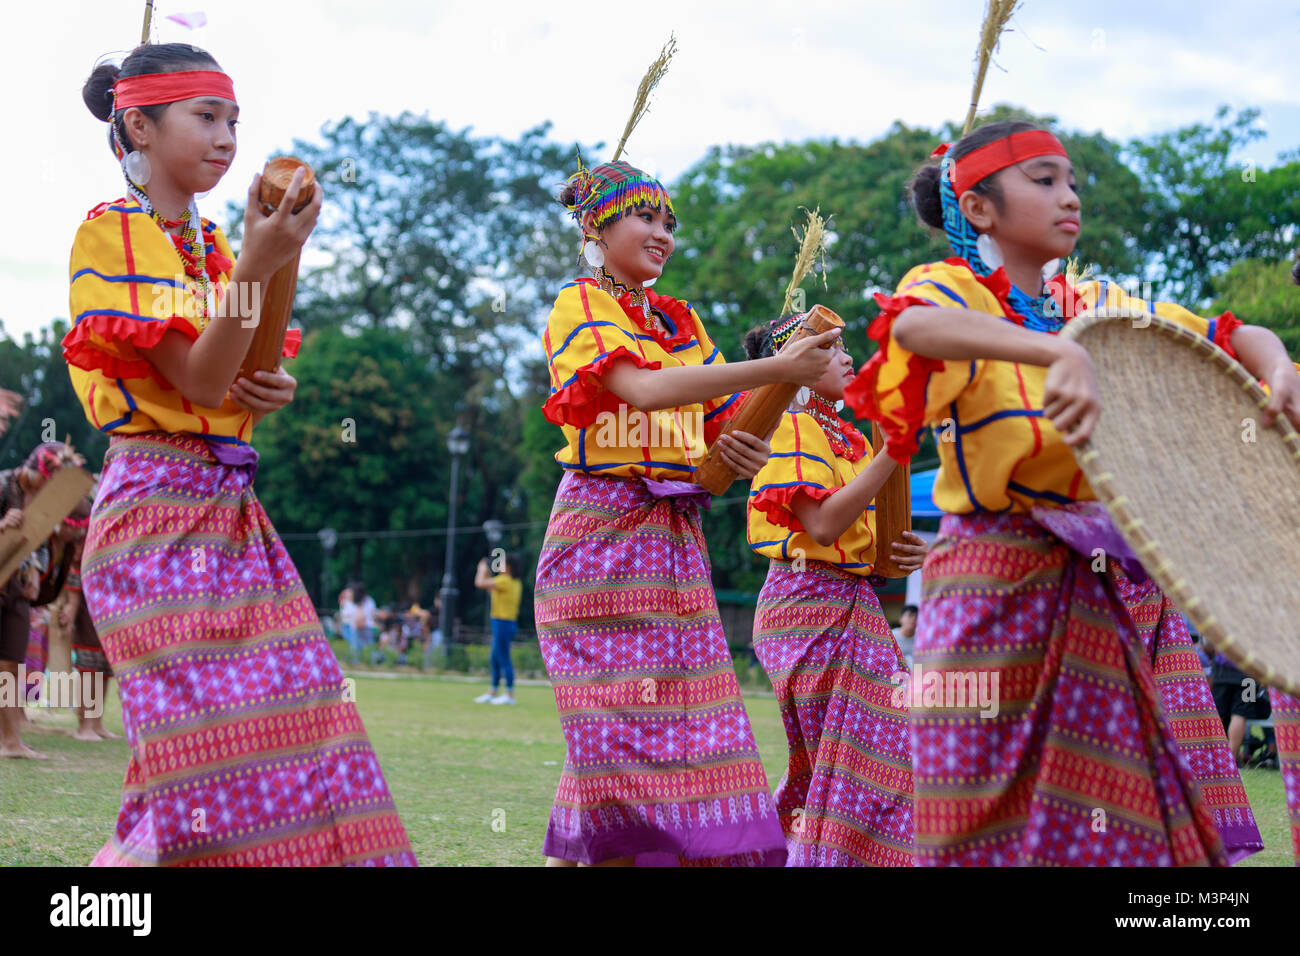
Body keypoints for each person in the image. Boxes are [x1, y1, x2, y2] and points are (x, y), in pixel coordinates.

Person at [845, 119, 1300, 866]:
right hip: (992, 583)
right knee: (979, 814)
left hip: (1097, 590)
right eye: (1045, 180)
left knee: (1118, 820)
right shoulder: (949, 288)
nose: (1071, 197)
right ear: (981, 209)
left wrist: (1276, 365)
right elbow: (914, 332)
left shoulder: (1099, 300)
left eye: (1073, 181)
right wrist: (1056, 347)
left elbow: (1227, 332)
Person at [63, 43, 414, 865]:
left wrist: (265, 376)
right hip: (153, 520)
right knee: (214, 757)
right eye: (206, 117)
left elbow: (234, 378)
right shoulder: (111, 237)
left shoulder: (214, 246)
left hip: (229, 514)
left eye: (233, 121)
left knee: (302, 724)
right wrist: (263, 262)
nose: (226, 138)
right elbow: (198, 373)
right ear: (139, 128)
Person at [536, 158, 840, 866]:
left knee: (672, 737)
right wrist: (775, 371)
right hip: (602, 542)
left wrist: (758, 423)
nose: (663, 234)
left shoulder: (678, 319)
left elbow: (718, 433)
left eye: (669, 223)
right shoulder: (578, 304)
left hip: (674, 542)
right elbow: (643, 391)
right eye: (646, 217)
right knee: (624, 739)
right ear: (593, 225)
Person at [743, 317, 927, 866]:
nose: (848, 359)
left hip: (845, 603)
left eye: (845, 348)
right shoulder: (794, 428)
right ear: (797, 366)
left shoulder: (841, 436)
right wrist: (892, 451)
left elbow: (856, 538)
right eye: (831, 350)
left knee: (852, 764)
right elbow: (821, 527)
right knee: (864, 762)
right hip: (808, 606)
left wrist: (905, 554)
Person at [474, 554, 522, 705]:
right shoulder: (511, 582)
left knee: (504, 659)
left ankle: (509, 694)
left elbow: (480, 583)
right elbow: (490, 587)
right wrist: (487, 571)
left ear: (508, 567)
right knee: (495, 658)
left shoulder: (505, 581)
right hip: (504, 624)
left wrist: (481, 568)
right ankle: (494, 691)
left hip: (503, 623)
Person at [892, 604, 918, 672]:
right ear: (901, 619)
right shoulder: (892, 636)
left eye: (916, 617)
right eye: (910, 615)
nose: (913, 619)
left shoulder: (921, 638)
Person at [337, 587, 359, 664]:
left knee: (352, 643)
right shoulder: (345, 603)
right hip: (347, 625)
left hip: (351, 625)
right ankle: (351, 659)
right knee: (350, 643)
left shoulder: (351, 603)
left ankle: (352, 660)